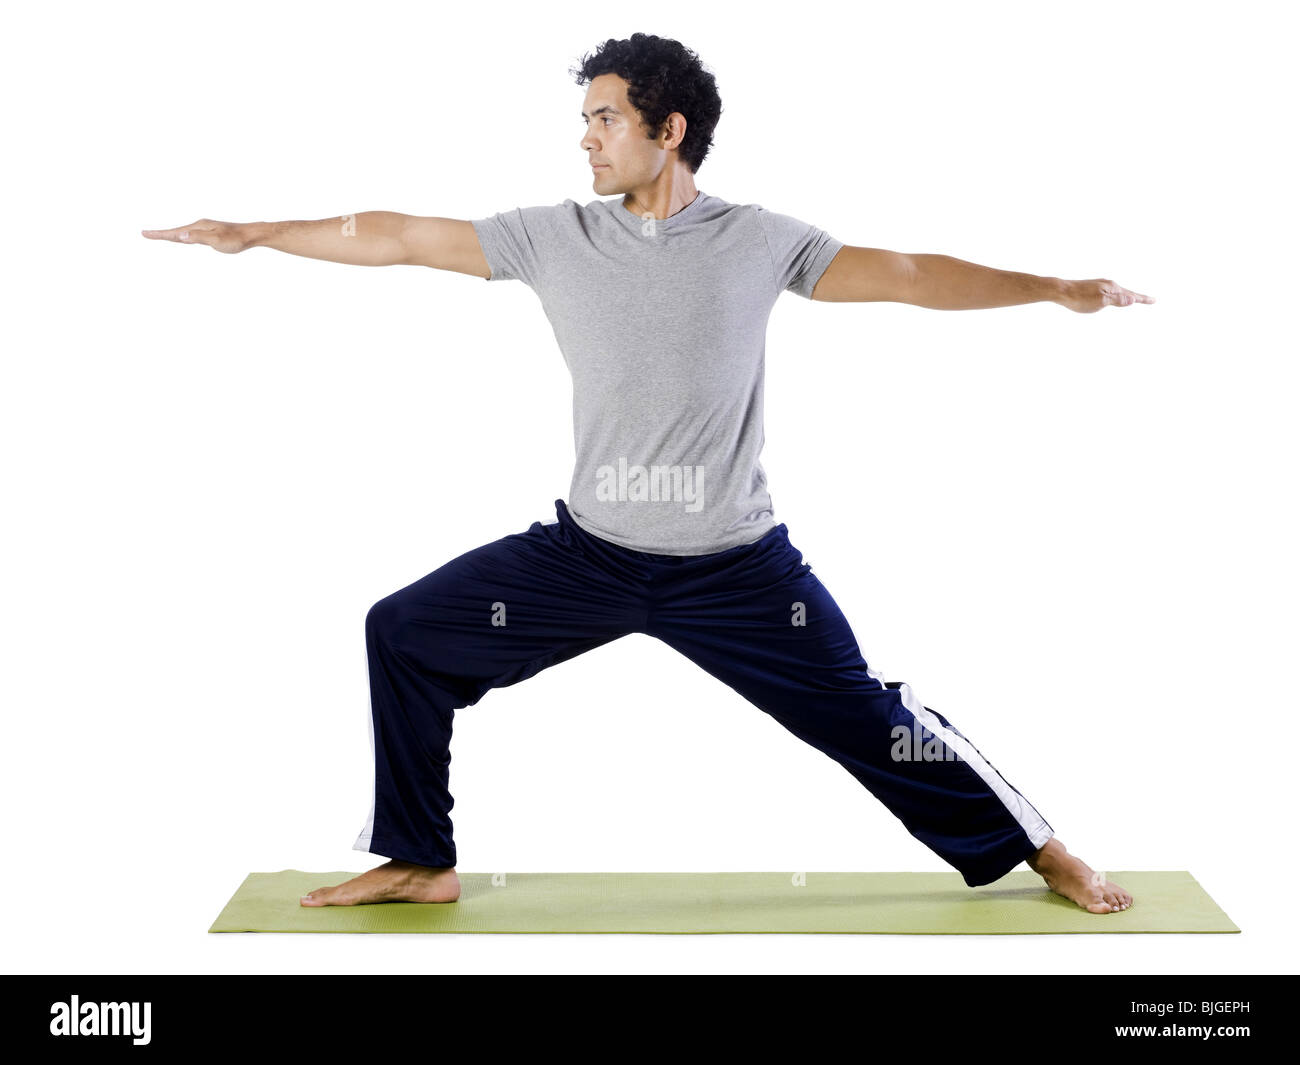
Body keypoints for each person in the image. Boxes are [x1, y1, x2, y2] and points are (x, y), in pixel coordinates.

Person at [143, 33, 1150, 915]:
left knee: (873, 724)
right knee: (402, 631)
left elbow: (911, 275)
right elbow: (399, 234)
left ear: (667, 131)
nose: (585, 138)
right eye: (583, 120)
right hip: (587, 556)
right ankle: (417, 859)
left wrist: (1051, 288)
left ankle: (1040, 848)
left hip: (736, 570)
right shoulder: (553, 236)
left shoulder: (761, 241)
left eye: (604, 119)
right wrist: (261, 234)